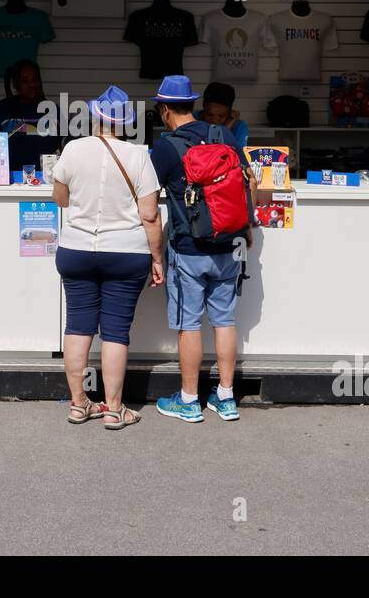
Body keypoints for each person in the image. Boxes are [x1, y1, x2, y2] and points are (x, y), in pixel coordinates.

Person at [51, 86, 164, 430]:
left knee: (78, 325)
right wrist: (157, 258)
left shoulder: (72, 149)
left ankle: (78, 404)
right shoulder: (139, 156)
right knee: (115, 330)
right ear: (127, 123)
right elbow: (149, 215)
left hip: (77, 249)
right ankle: (114, 409)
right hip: (126, 253)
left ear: (95, 117)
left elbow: (60, 199)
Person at [149, 75, 257, 423]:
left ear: (165, 110)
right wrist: (248, 224)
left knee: (189, 325)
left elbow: (148, 200)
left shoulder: (166, 147)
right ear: (192, 105)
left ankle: (189, 399)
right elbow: (249, 180)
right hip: (228, 244)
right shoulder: (222, 134)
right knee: (225, 320)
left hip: (188, 249)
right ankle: (225, 397)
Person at [0, 59, 62, 171]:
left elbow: (63, 146)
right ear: (16, 84)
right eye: (25, 80)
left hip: (45, 180)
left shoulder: (53, 110)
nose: (32, 84)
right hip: (9, 180)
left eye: (35, 79)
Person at [201, 81, 250, 149]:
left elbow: (239, 154)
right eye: (210, 115)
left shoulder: (239, 126)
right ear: (203, 108)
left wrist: (226, 129)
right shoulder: (194, 120)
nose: (214, 120)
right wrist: (224, 130)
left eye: (221, 116)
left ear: (230, 112)